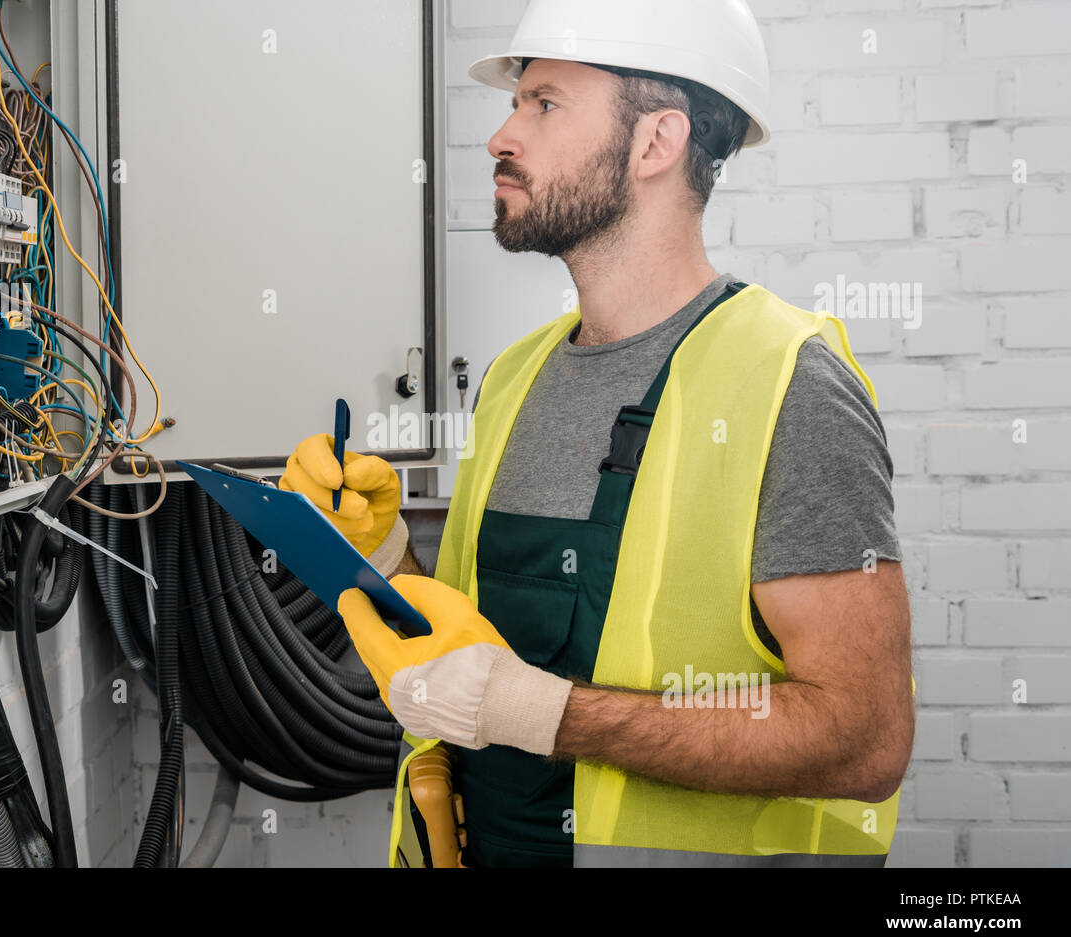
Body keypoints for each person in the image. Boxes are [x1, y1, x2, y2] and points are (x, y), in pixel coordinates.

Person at [281, 0, 914, 868]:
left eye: (544, 104)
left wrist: (550, 717)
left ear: (657, 143)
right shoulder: (518, 375)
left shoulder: (788, 385)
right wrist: (381, 556)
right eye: (517, 105)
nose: (502, 134)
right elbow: (478, 658)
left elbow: (864, 739)